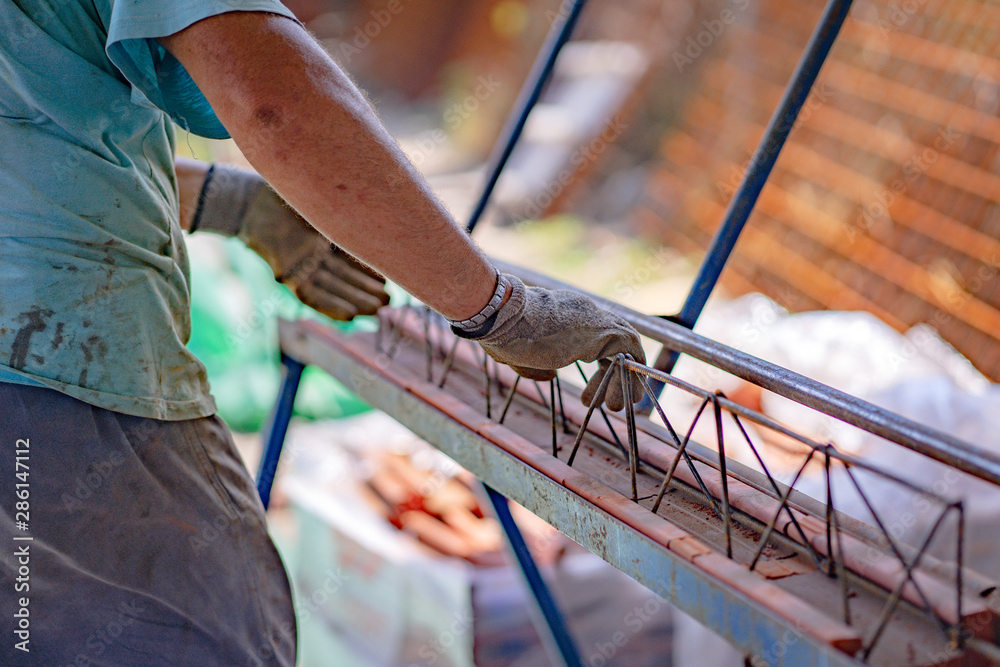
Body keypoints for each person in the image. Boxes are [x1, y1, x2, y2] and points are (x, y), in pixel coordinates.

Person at [0, 2, 645, 664]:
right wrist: (500, 310)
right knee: (208, 638)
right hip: (55, 374)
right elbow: (275, 99)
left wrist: (235, 202)